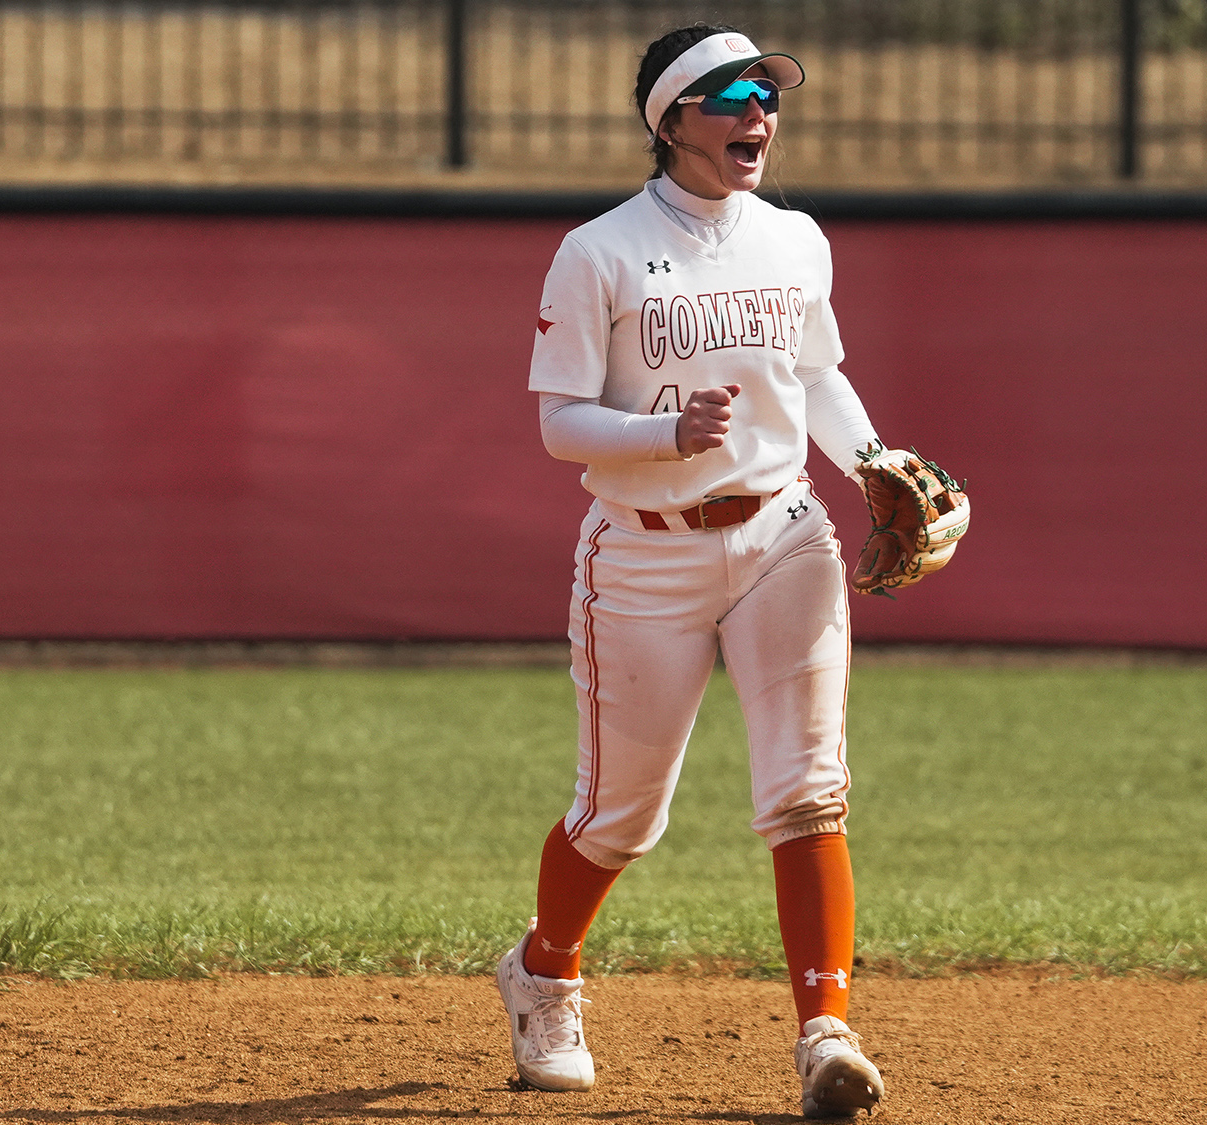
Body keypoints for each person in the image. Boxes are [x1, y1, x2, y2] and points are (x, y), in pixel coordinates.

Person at [496, 23, 891, 1119]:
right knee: (620, 816)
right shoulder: (599, 251)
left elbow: (817, 378)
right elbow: (561, 425)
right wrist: (663, 436)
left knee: (808, 792)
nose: (754, 118)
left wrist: (874, 467)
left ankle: (826, 1035)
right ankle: (544, 973)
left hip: (783, 538)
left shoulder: (794, 239)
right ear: (669, 122)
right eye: (726, 100)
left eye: (765, 97)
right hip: (645, 552)